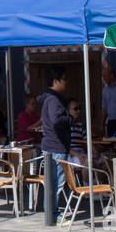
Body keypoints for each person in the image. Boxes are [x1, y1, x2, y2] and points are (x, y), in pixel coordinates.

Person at [38, 68, 73, 209]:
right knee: (56, 182)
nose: (66, 82)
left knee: (52, 182)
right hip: (56, 145)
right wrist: (70, 117)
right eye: (64, 79)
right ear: (55, 81)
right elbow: (56, 121)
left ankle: (51, 213)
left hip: (51, 145)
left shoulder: (48, 98)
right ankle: (52, 214)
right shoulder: (53, 99)